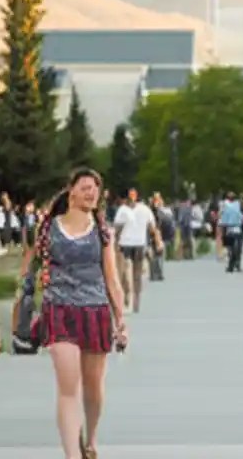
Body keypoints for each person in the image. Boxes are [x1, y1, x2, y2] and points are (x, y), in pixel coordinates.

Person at [22, 169, 127, 459]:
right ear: (71, 191)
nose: (91, 192)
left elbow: (112, 278)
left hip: (95, 312)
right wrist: (25, 300)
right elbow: (28, 267)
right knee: (68, 387)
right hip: (59, 311)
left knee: (93, 387)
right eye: (84, 187)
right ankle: (71, 454)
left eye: (95, 188)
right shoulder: (47, 227)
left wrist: (121, 320)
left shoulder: (103, 231)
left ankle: (90, 440)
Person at [112, 188, 162, 313]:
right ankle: (133, 301)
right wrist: (157, 242)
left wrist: (157, 241)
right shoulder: (142, 209)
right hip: (133, 244)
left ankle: (131, 298)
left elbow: (117, 229)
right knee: (133, 273)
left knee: (129, 272)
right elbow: (152, 228)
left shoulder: (126, 210)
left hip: (131, 244)